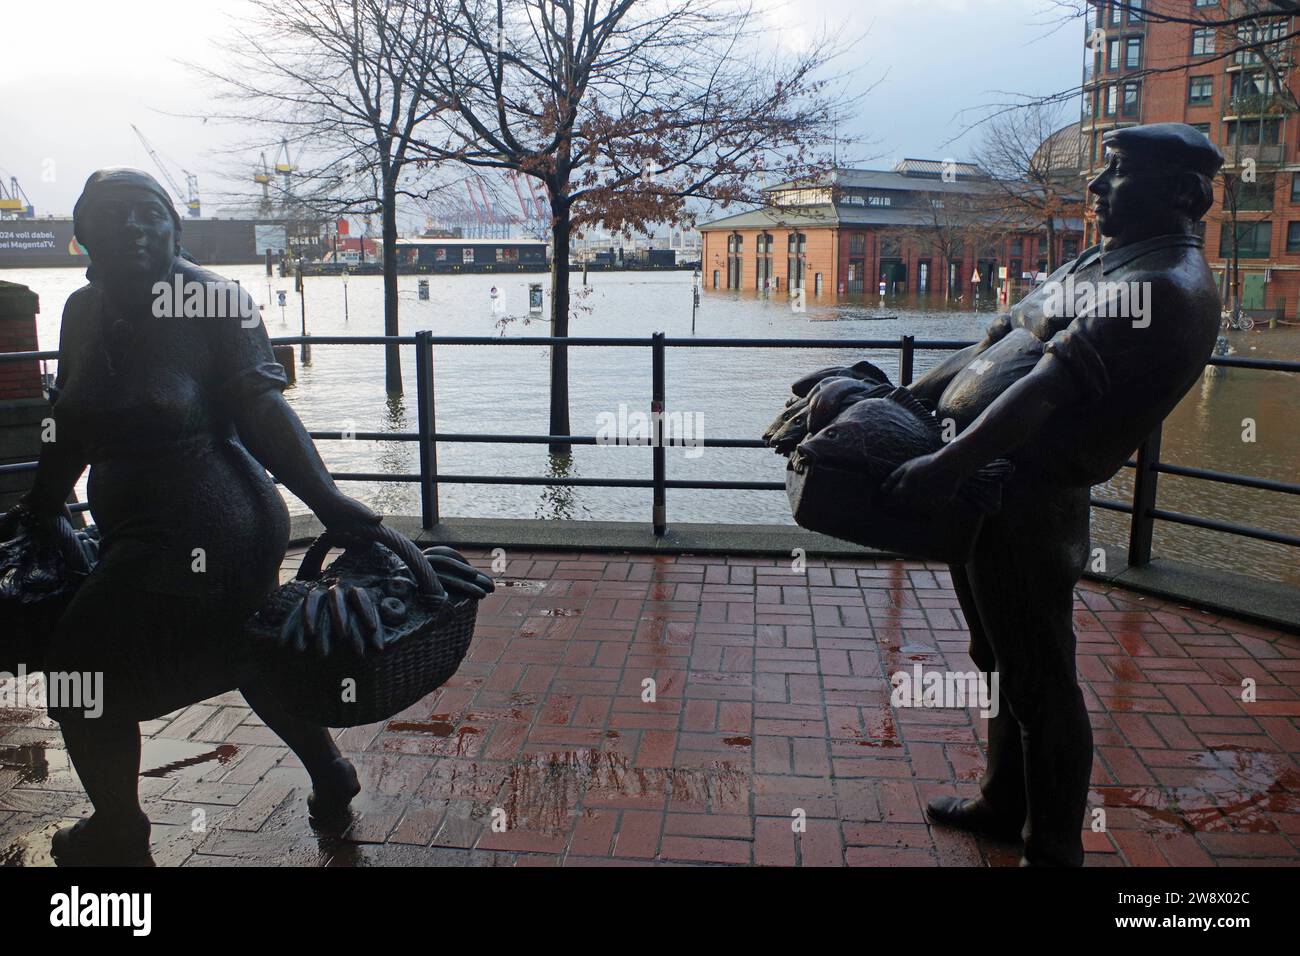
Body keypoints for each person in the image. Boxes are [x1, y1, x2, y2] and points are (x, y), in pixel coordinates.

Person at [3, 168, 381, 865]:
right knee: (243, 646)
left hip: (215, 521)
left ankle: (119, 827)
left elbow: (263, 411)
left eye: (150, 215)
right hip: (132, 528)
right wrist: (44, 503)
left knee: (77, 670)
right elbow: (72, 421)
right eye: (117, 217)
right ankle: (331, 772)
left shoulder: (215, 301)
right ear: (85, 235)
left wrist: (328, 501)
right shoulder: (85, 310)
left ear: (173, 227)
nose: (136, 229)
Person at [881, 124, 1224, 865]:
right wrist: (909, 401)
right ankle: (1004, 801)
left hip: (1031, 497)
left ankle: (1056, 844)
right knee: (997, 657)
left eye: (1118, 173)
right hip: (990, 484)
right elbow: (1002, 337)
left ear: (1180, 193)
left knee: (1042, 677)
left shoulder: (1160, 286)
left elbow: (1043, 387)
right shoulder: (1108, 256)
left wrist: (944, 467)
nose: (1097, 188)